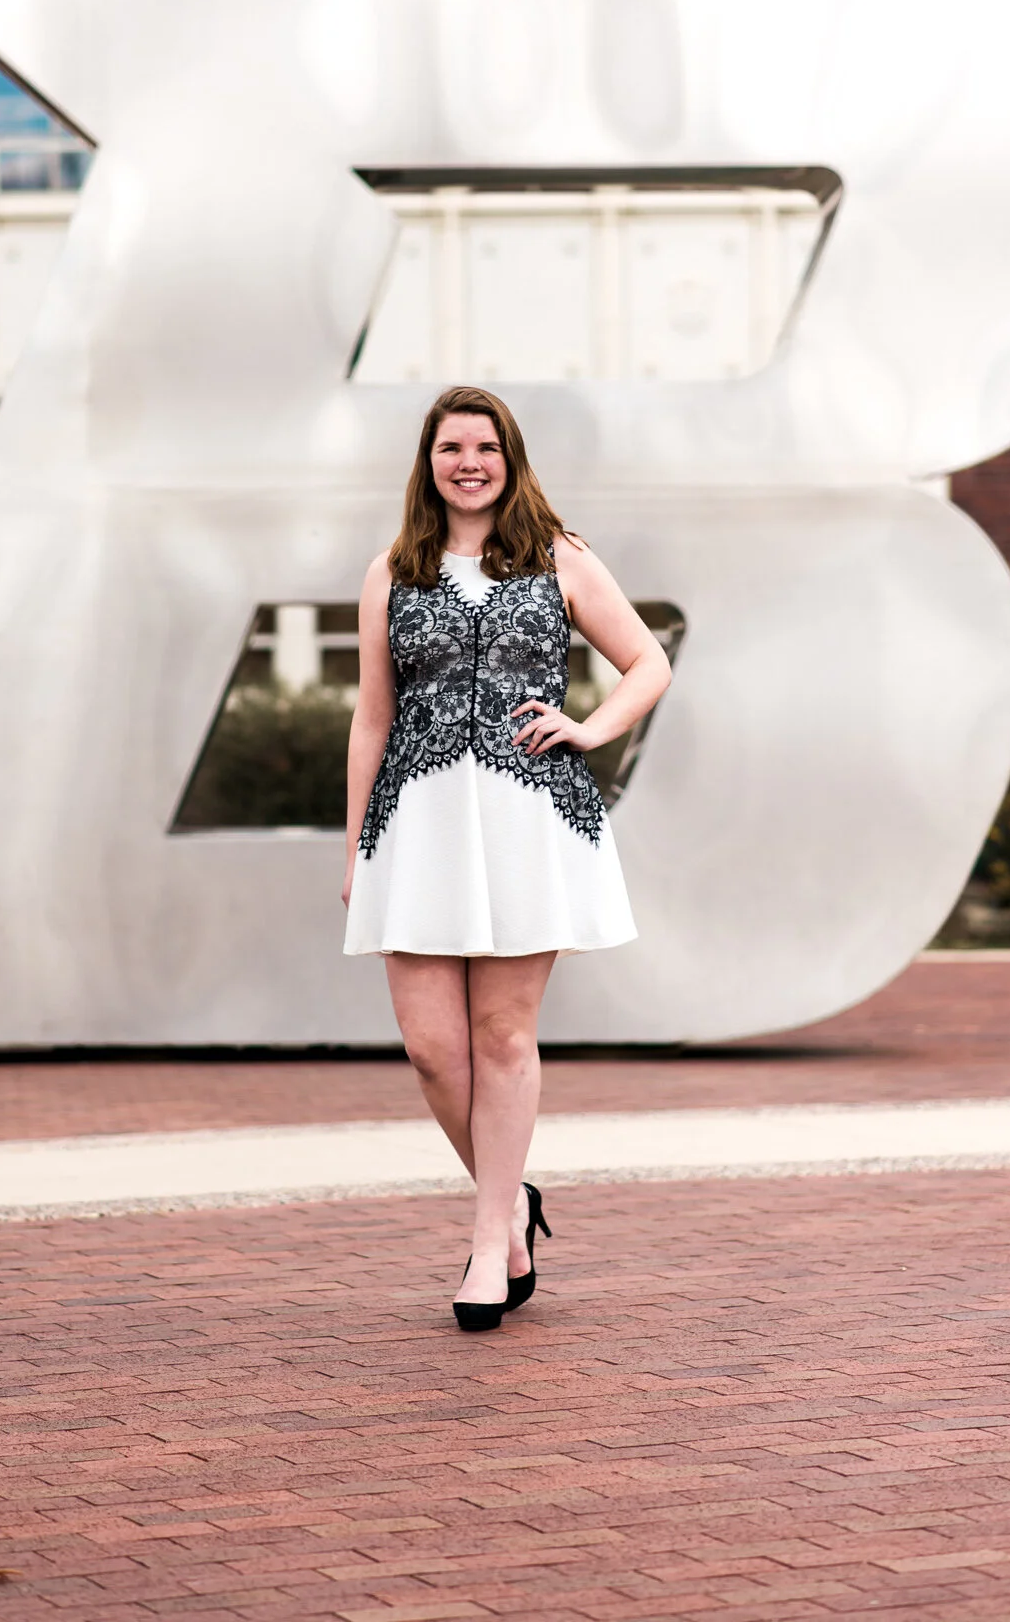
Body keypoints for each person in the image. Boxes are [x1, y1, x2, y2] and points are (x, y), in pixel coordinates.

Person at [342, 385, 672, 1330]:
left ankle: (491, 1242)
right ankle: (515, 1199)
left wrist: (590, 727)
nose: (469, 462)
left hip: (529, 817)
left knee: (501, 1038)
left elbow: (646, 663)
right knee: (434, 1052)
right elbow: (371, 715)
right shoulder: (390, 572)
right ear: (429, 462)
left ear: (509, 457)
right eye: (451, 447)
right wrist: (355, 842)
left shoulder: (559, 558)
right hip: (415, 823)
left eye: (485, 446)